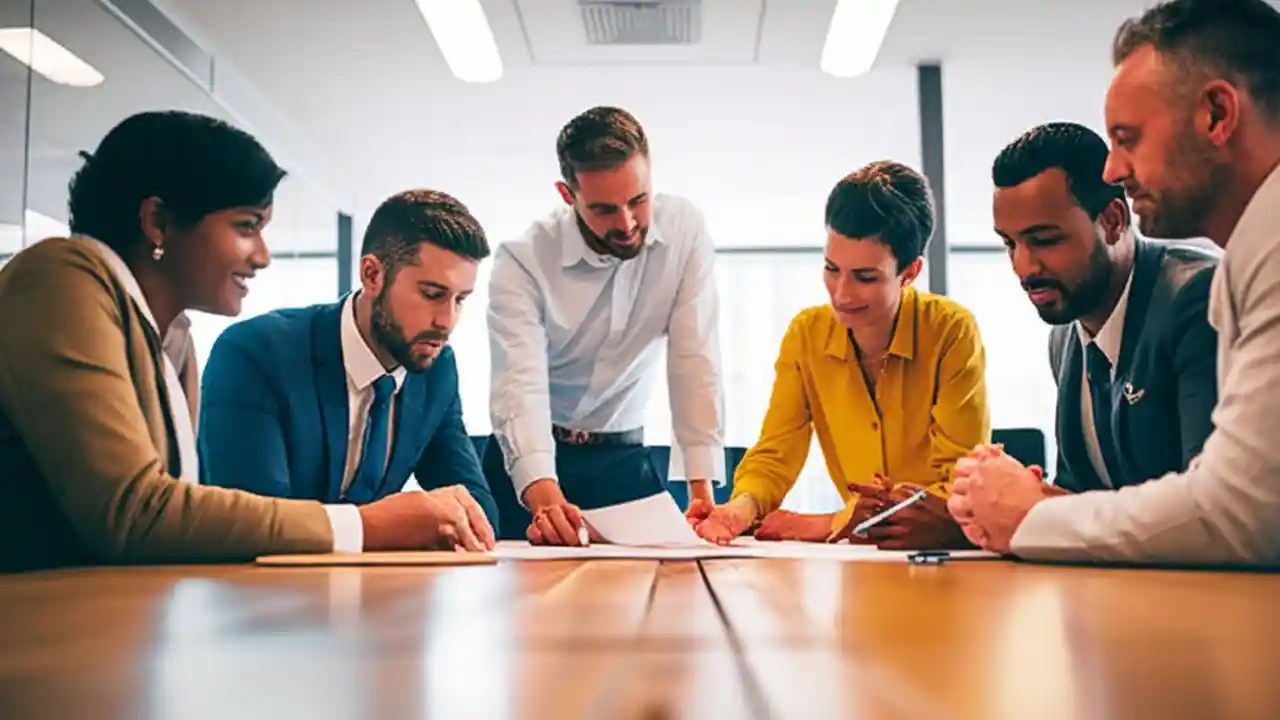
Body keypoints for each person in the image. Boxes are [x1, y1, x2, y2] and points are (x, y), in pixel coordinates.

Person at [0, 111, 492, 572]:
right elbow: (137, 513)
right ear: (158, 222)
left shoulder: (170, 336)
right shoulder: (58, 278)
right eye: (247, 226)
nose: (262, 256)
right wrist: (367, 525)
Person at [950, 0, 1280, 566]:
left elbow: (1238, 513)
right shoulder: (1250, 256)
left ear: (1217, 115)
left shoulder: (1239, 269)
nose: (1113, 171)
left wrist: (1031, 514)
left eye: (1128, 138)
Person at [689, 160, 990, 549]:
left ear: (910, 272)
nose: (842, 294)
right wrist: (738, 510)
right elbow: (775, 453)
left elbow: (958, 484)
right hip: (864, 568)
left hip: (944, 558)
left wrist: (827, 522)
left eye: (866, 277)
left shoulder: (951, 331)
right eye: (832, 269)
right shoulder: (806, 334)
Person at [486, 106, 725, 544]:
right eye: (604, 209)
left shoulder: (684, 230)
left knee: (646, 601)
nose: (627, 223)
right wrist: (543, 493)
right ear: (567, 193)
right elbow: (519, 385)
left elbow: (695, 357)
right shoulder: (522, 261)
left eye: (638, 200)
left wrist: (701, 485)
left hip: (622, 459)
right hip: (531, 465)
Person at [199, 189, 499, 528]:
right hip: (265, 581)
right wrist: (387, 522)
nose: (446, 322)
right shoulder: (254, 353)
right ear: (372, 275)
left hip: (372, 582)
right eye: (432, 294)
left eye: (461, 300)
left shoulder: (436, 367)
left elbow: (478, 513)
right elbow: (255, 524)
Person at [993, 122, 1219, 492]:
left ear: (1113, 221)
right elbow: (1081, 496)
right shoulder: (1064, 336)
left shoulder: (1199, 299)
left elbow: (1208, 506)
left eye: (1045, 240)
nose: (1024, 267)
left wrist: (1037, 510)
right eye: (1009, 244)